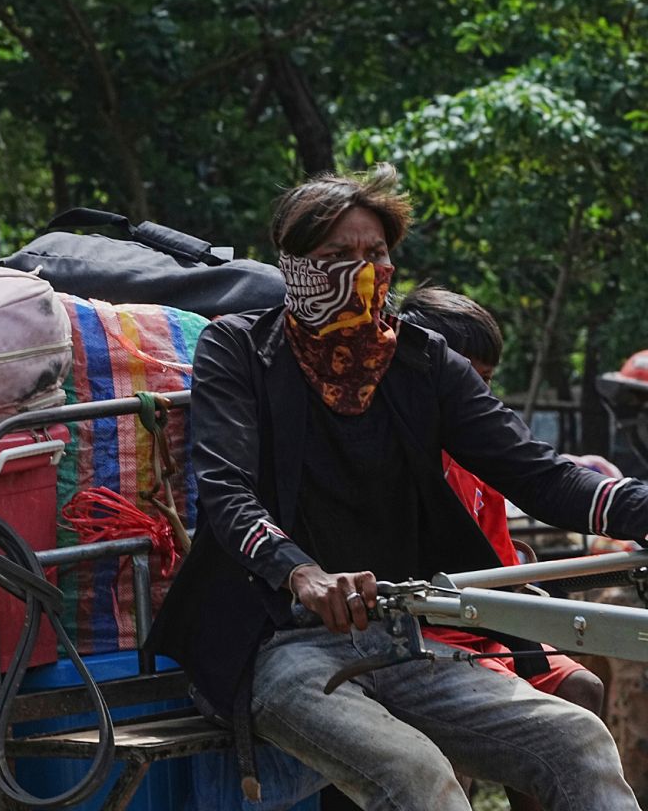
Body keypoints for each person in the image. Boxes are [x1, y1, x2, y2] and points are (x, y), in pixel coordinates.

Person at [149, 164, 646, 810]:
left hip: (403, 635)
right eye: (336, 256)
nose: (361, 272)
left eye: (375, 254)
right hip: (277, 644)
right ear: (293, 263)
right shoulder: (239, 349)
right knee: (417, 776)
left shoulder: (422, 358)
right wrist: (301, 573)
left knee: (575, 738)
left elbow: (537, 473)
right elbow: (226, 489)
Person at [398, 283, 606, 811]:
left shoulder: (482, 455)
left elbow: (503, 558)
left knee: (582, 690)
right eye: (468, 381)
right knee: (520, 735)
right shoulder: (397, 451)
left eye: (485, 383)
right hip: (433, 636)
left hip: (491, 623)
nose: (479, 398)